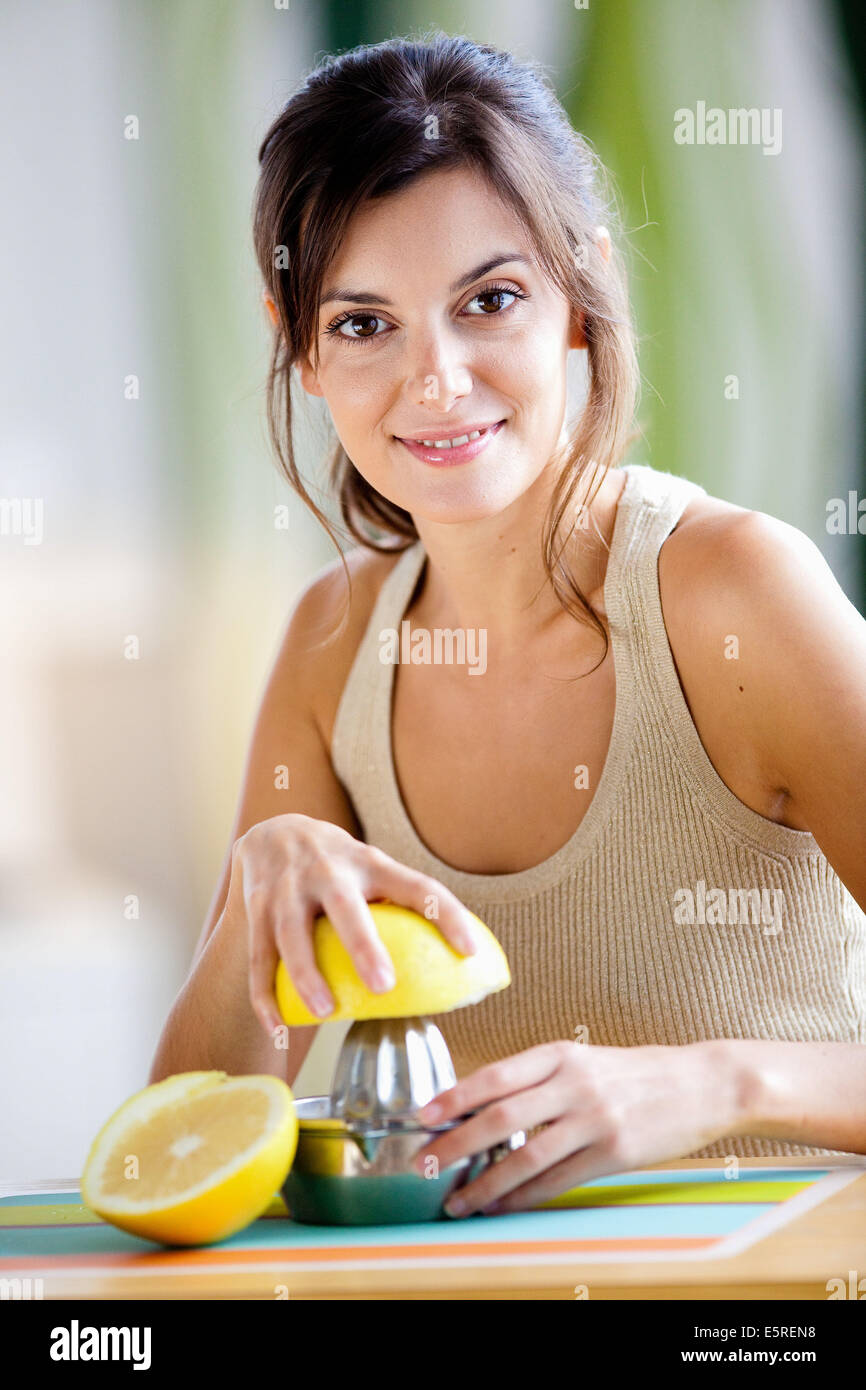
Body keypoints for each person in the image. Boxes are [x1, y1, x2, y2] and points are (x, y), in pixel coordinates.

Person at [150, 33, 866, 1218]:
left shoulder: (734, 595)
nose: (435, 381)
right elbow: (190, 1152)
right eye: (365, 324)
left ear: (578, 300)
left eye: (488, 301)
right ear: (299, 347)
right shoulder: (331, 645)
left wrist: (714, 1084)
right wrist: (246, 906)